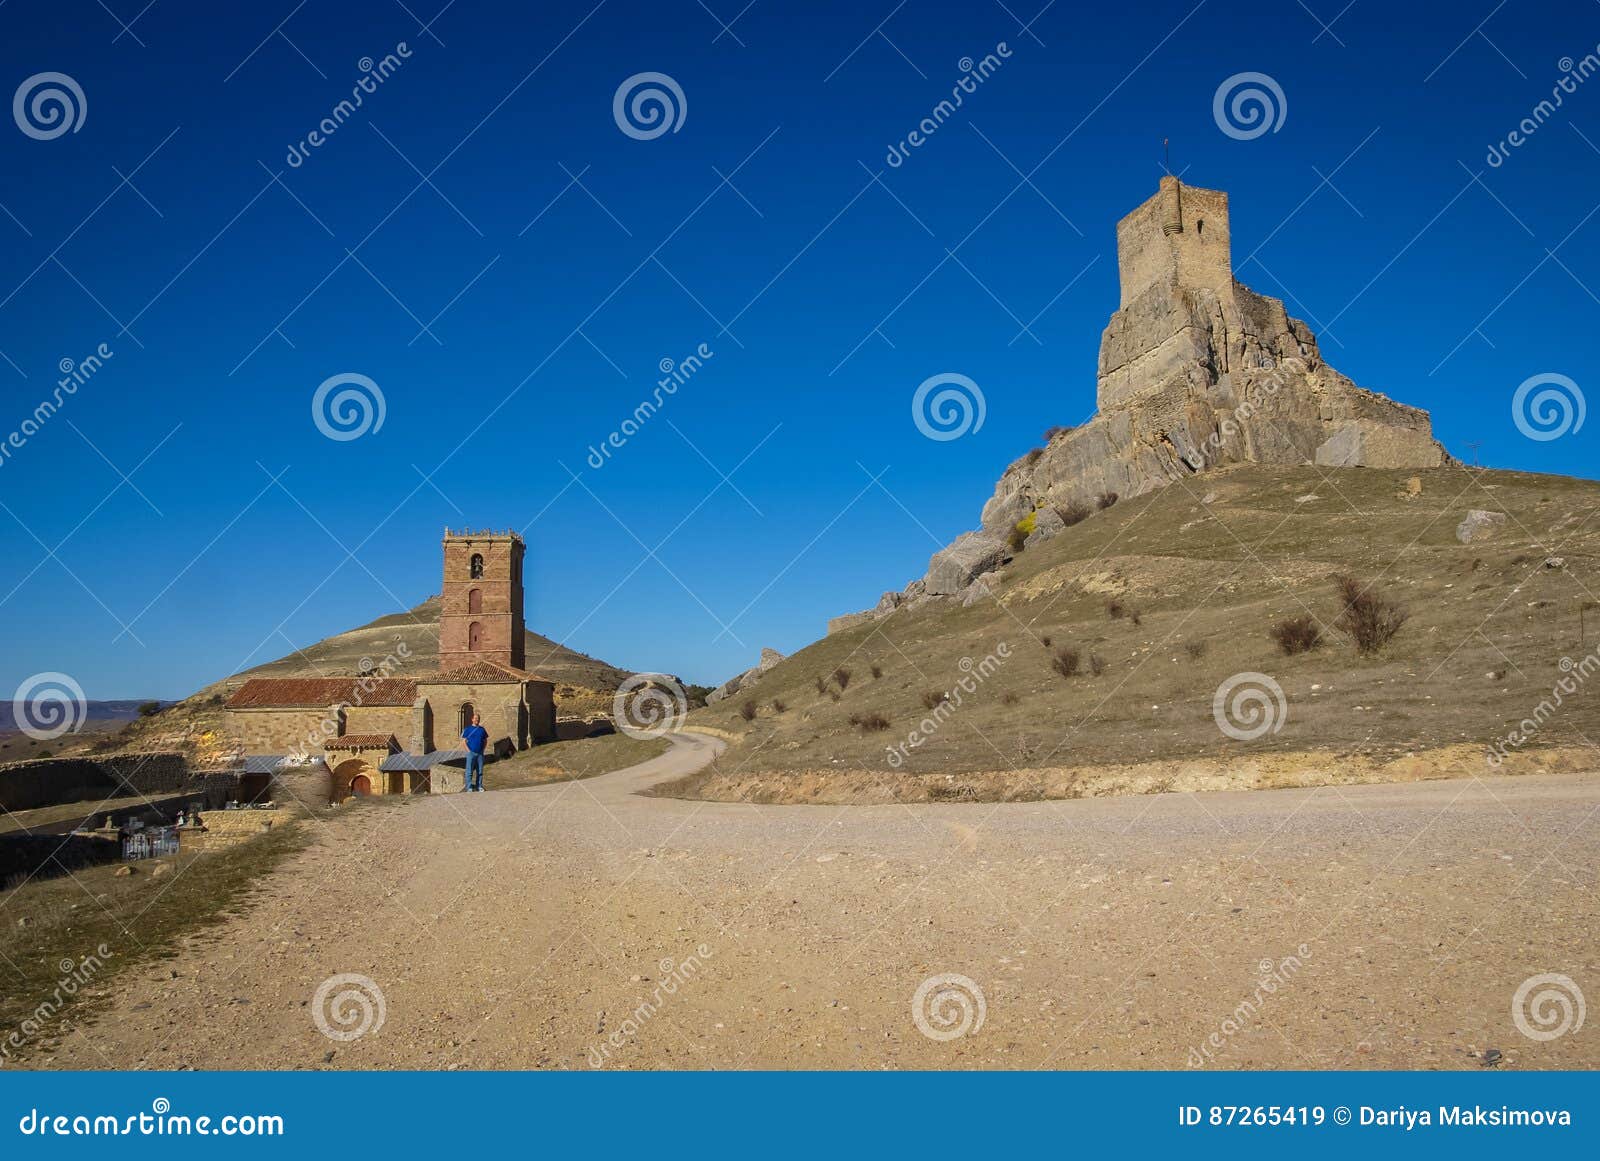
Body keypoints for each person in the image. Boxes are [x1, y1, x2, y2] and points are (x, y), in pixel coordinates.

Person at [461, 713, 489, 792]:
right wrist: (468, 751)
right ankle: (469, 787)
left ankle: (479, 786)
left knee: (480, 771)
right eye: (475, 718)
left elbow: (485, 740)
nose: (477, 720)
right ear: (472, 719)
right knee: (469, 771)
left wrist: (483, 749)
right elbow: (464, 741)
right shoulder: (468, 729)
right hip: (471, 753)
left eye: (478, 718)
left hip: (480, 753)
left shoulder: (482, 729)